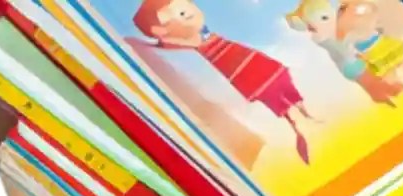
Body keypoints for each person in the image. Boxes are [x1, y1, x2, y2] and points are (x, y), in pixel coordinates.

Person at [130, 0, 315, 163]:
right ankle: (296, 127)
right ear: (160, 30)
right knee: (269, 95)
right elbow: (166, 43)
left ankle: (303, 111)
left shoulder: (201, 31)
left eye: (189, 6)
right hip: (233, 66)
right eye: (182, 14)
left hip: (240, 56)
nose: (192, 12)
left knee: (277, 79)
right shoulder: (186, 41)